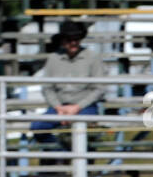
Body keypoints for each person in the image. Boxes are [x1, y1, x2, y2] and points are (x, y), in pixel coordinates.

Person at [30, 19, 104, 148]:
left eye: (77, 38)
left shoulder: (93, 58)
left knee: (83, 129)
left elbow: (99, 88)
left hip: (85, 108)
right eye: (69, 39)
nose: (74, 42)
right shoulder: (53, 58)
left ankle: (76, 159)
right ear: (63, 40)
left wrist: (77, 107)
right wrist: (59, 107)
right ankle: (61, 155)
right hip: (59, 107)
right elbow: (47, 88)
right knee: (37, 127)